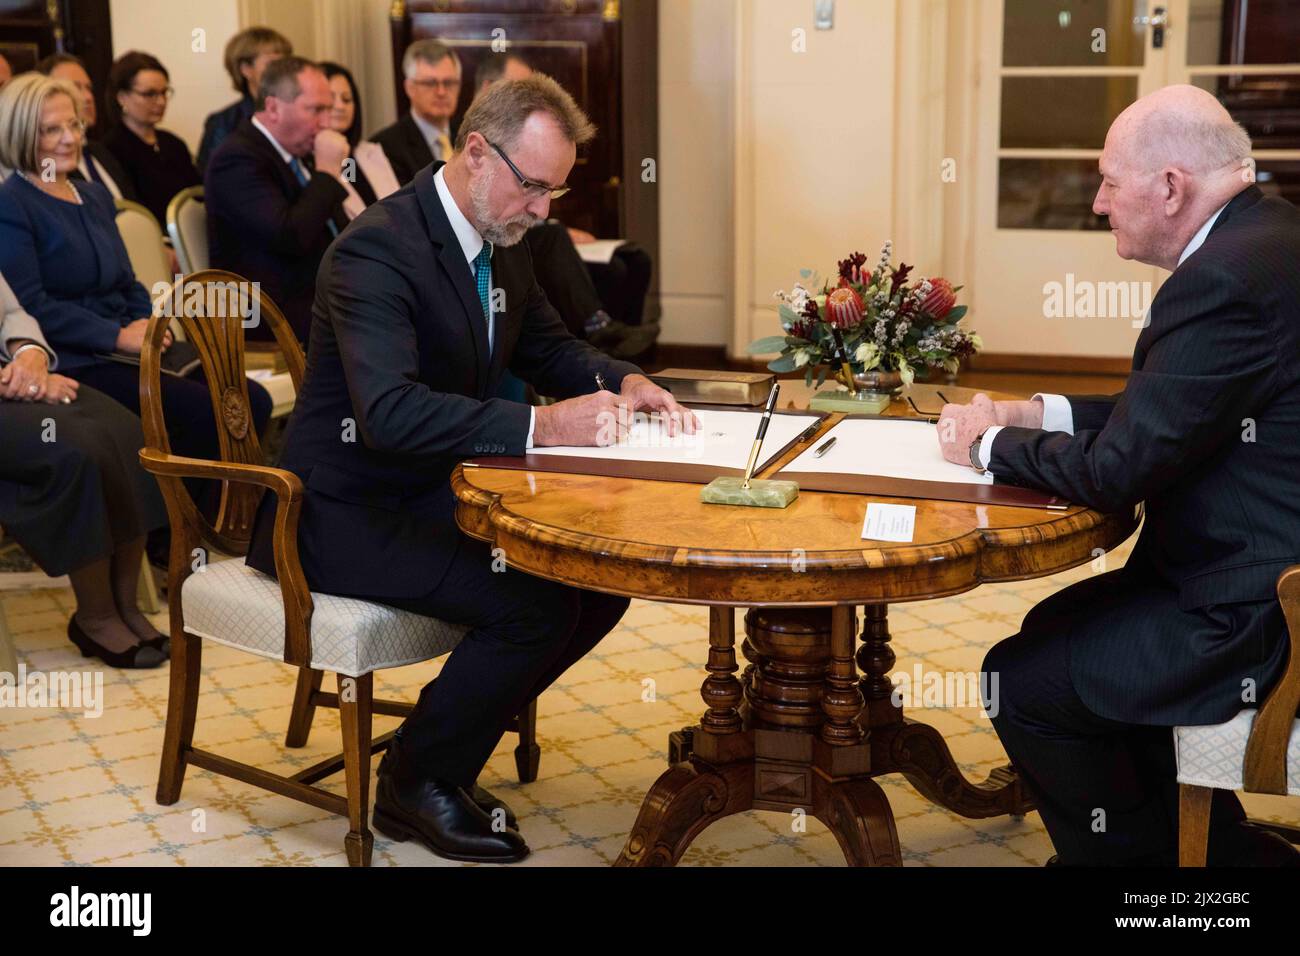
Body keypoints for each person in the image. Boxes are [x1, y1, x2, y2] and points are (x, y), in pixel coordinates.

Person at [245, 74, 698, 863]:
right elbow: (387, 413)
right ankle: (415, 781)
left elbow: (548, 347)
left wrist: (619, 379)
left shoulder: (501, 239)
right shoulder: (376, 251)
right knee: (532, 600)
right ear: (477, 153)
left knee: (595, 576)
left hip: (432, 491)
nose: (543, 209)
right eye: (534, 187)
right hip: (339, 512)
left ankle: (443, 749)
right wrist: (542, 422)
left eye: (554, 191)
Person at [935, 85, 1300, 867]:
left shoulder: (1221, 282)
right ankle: (1203, 845)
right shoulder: (1270, 237)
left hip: (1256, 610)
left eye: (1107, 181)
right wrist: (1037, 413)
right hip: (1260, 562)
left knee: (1020, 682)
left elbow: (1118, 472)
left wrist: (984, 446)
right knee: (1054, 631)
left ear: (1170, 187)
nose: (1098, 203)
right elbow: (1176, 409)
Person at [0, 73, 272, 517]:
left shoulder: (91, 195)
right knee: (204, 414)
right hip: (80, 357)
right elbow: (32, 306)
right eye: (52, 129)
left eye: (75, 126)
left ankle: (216, 523)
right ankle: (177, 533)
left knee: (250, 401)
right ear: (20, 132)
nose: (70, 139)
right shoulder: (11, 203)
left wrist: (147, 324)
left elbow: (127, 281)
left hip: (131, 343)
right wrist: (117, 336)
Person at [1, 270, 170, 668]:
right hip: (8, 387)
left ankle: (125, 606)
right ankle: (95, 616)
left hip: (16, 381)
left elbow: (12, 312)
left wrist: (30, 354)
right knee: (75, 449)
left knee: (127, 430)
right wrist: (16, 381)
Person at [475, 51, 657, 357]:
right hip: (502, 241)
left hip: (524, 237)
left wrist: (625, 379)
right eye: (518, 90)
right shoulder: (480, 139)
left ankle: (617, 350)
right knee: (555, 237)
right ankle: (599, 332)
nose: (529, 102)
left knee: (629, 261)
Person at [205, 56, 349, 343]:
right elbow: (289, 236)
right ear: (273, 107)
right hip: (271, 311)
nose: (325, 123)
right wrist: (327, 175)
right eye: (316, 110)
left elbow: (338, 232)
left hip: (319, 296)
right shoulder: (237, 159)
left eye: (328, 110)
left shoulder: (297, 153)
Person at [101, 51, 201, 226]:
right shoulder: (111, 150)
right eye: (150, 94)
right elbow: (130, 211)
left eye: (164, 92)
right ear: (122, 97)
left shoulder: (174, 144)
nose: (161, 101)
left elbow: (198, 195)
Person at [35, 53, 136, 202]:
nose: (88, 97)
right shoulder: (48, 162)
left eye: (88, 88)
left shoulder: (101, 151)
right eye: (75, 87)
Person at [197, 26, 292, 173]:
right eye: (272, 64)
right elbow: (213, 177)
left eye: (285, 63)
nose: (283, 71)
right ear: (246, 69)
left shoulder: (295, 111)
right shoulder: (223, 123)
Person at [371, 39, 461, 186]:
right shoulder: (386, 148)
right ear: (409, 88)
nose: (441, 92)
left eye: (449, 83)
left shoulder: (470, 134)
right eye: (430, 83)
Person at [319, 61, 399, 220]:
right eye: (331, 98)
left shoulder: (370, 152)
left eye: (347, 99)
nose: (340, 106)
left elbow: (400, 207)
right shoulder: (310, 162)